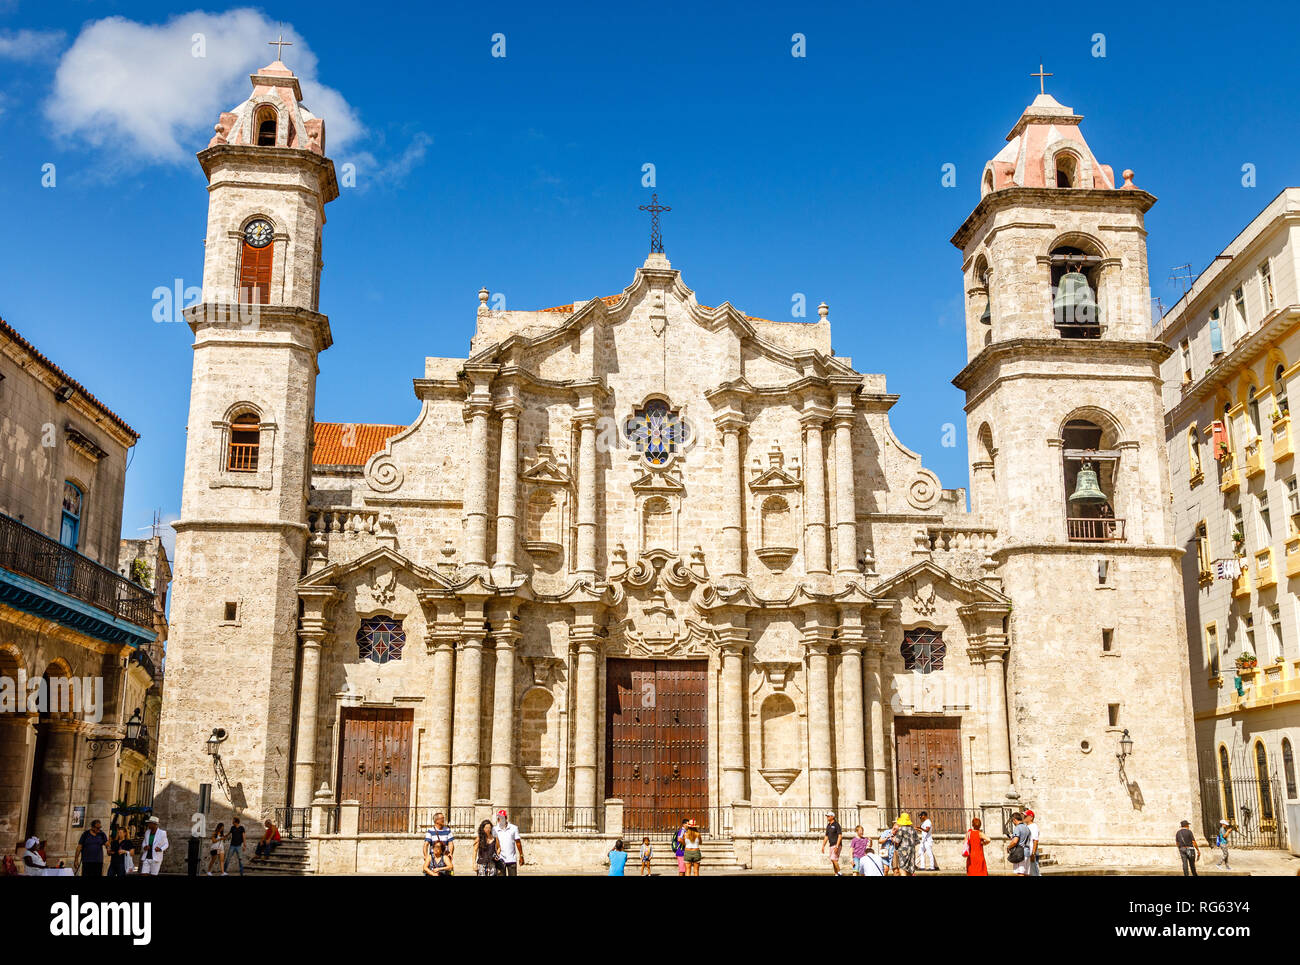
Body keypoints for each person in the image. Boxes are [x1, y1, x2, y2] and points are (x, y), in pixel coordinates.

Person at [492, 809, 523, 875]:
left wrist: (521, 856)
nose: (501, 819)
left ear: (506, 818)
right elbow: (492, 843)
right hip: (500, 859)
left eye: (502, 818)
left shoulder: (514, 828)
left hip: (511, 859)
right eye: (499, 818)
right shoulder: (494, 829)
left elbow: (518, 842)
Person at [1007, 812, 1032, 876]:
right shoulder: (1027, 828)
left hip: (1020, 854)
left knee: (1020, 873)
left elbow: (1015, 841)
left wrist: (1009, 847)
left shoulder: (1017, 828)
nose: (1013, 823)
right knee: (1026, 873)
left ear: (1014, 820)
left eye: (1013, 821)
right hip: (1027, 852)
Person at [822, 811, 843, 876]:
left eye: (828, 816)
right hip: (831, 845)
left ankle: (839, 872)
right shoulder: (828, 825)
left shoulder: (836, 825)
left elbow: (840, 836)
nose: (827, 817)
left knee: (833, 859)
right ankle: (836, 874)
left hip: (836, 844)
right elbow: (826, 836)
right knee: (833, 860)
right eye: (827, 816)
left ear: (832, 817)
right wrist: (823, 845)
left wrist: (837, 846)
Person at [1024, 809, 1041, 877]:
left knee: (1035, 873)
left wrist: (1033, 853)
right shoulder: (1027, 826)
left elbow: (1035, 840)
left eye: (1026, 816)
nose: (1024, 817)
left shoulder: (1034, 827)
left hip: (1031, 853)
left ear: (1031, 817)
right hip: (1028, 853)